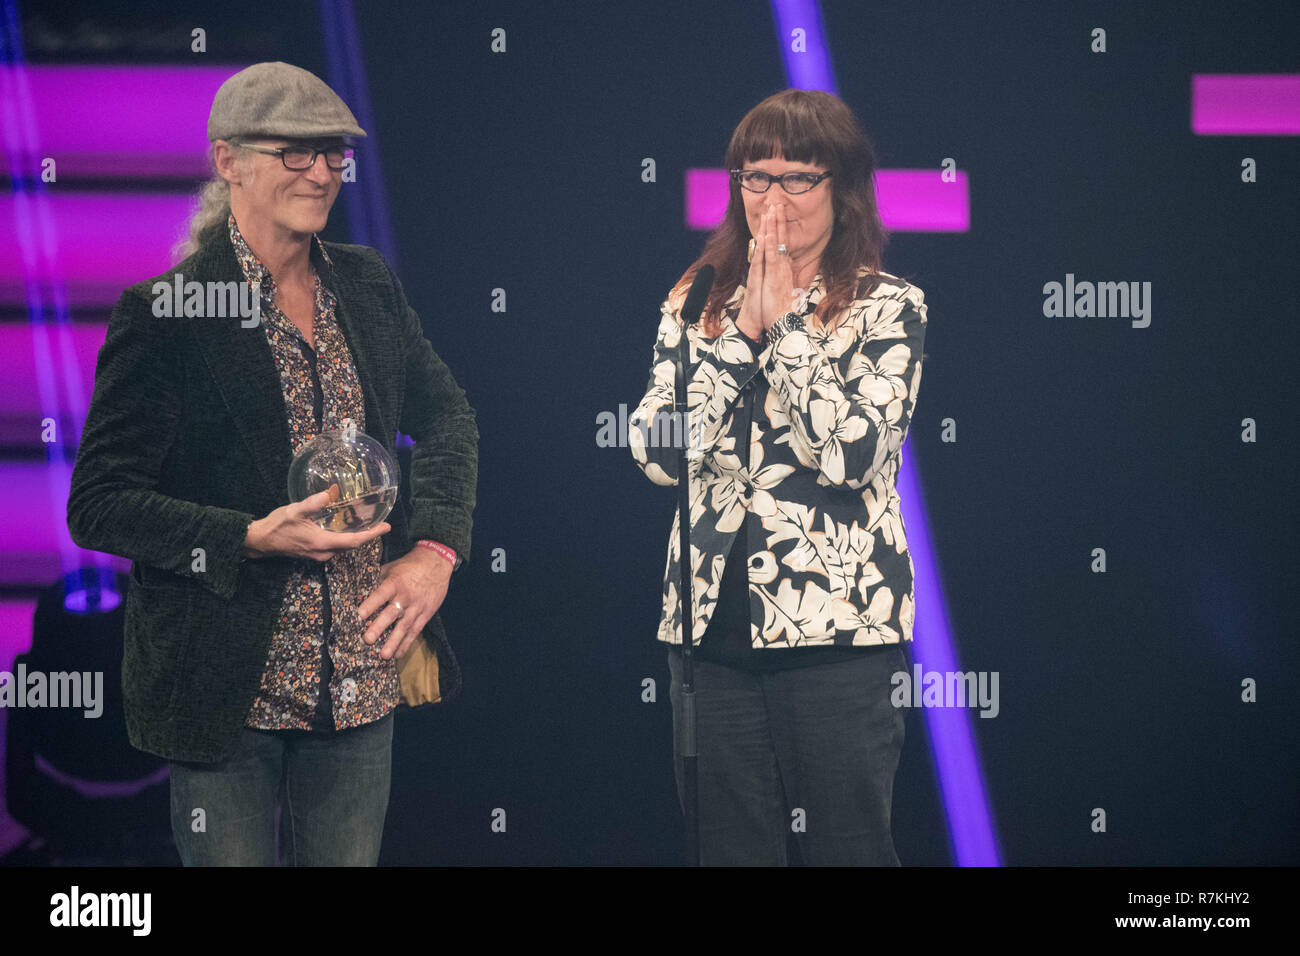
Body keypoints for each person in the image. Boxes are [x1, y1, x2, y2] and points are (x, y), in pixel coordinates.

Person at [66, 62, 478, 865]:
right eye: (295, 152)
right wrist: (250, 536)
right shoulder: (165, 313)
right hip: (226, 690)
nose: (321, 172)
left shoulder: (366, 285)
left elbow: (451, 418)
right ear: (230, 162)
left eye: (332, 154)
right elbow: (101, 502)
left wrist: (435, 551)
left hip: (359, 681)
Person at [628, 88, 928, 865]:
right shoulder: (694, 298)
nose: (774, 199)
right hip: (707, 633)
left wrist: (787, 328)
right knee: (726, 850)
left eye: (800, 176)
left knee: (849, 849)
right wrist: (738, 340)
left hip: (839, 634)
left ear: (842, 186)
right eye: (756, 177)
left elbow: (851, 456)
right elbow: (658, 450)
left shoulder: (887, 307)